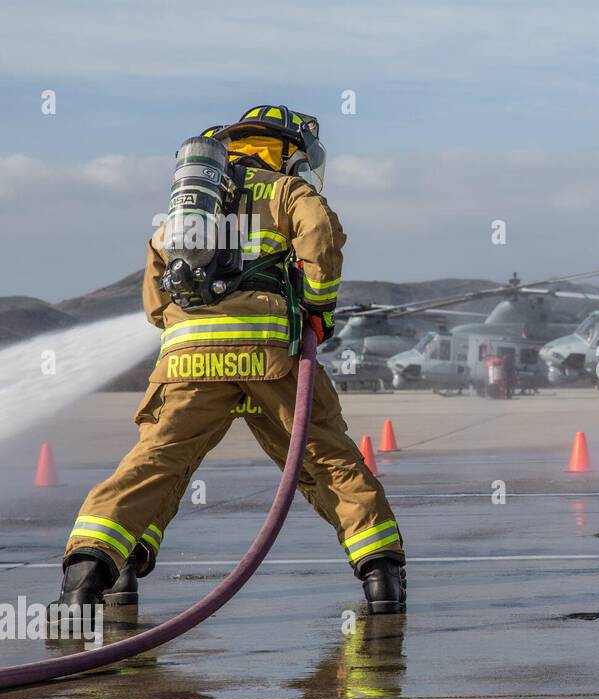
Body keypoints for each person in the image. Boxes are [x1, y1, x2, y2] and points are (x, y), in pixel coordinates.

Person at [57, 105, 407, 615]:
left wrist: (191, 330)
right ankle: (381, 579)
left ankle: (93, 576)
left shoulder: (185, 210)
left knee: (159, 462)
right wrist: (318, 306)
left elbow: (156, 303)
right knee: (325, 460)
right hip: (269, 359)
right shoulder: (285, 190)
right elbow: (320, 239)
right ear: (288, 150)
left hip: (187, 365)